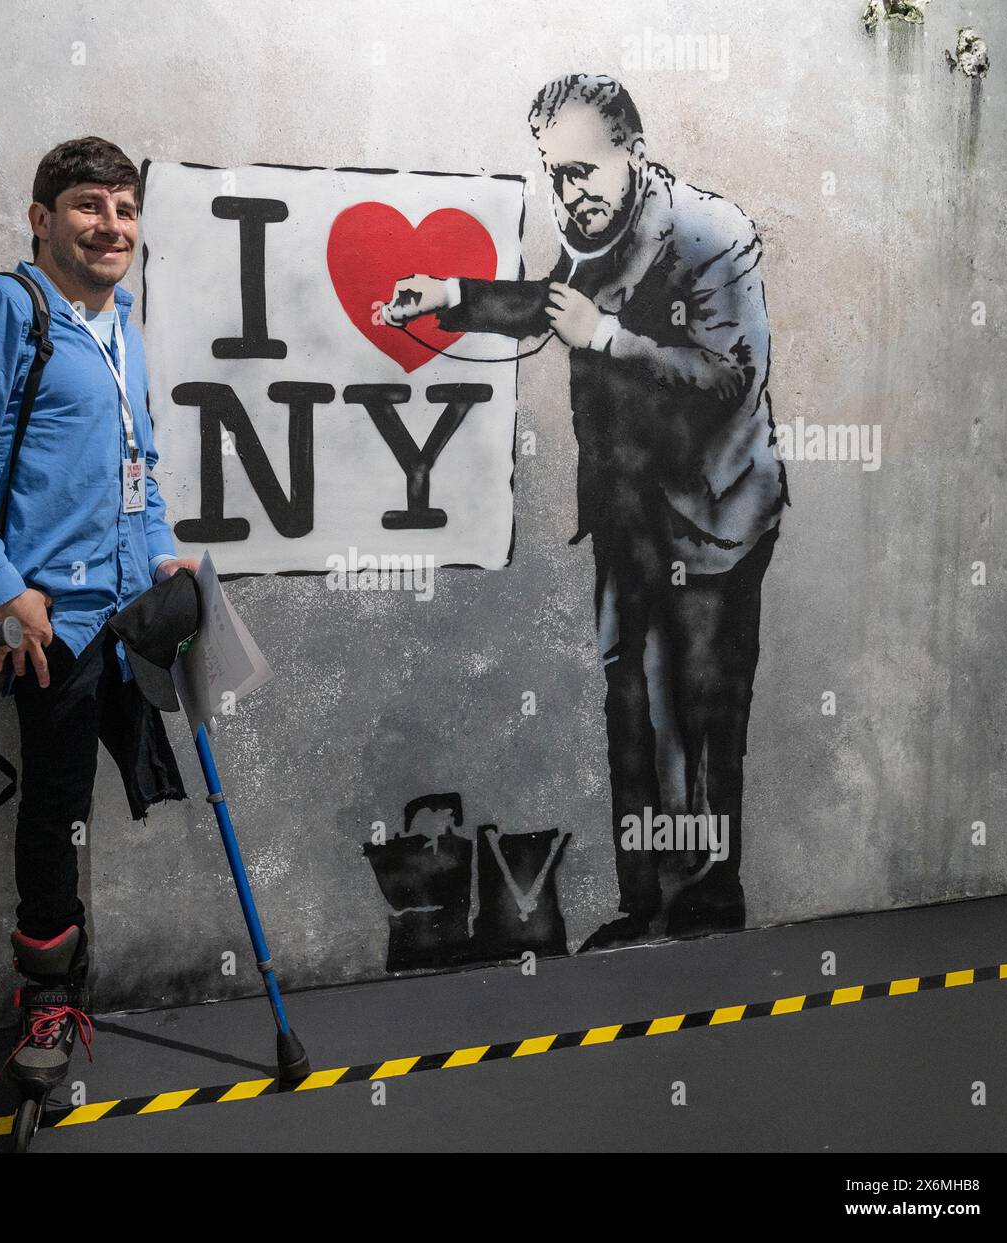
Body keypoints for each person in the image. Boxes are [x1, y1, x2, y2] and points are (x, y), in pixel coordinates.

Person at [385, 75, 789, 948]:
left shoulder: (712, 235)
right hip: (630, 516)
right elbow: (551, 305)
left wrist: (607, 341)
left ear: (633, 151)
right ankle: (648, 905)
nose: (566, 193)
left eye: (579, 171)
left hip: (713, 519)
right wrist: (452, 296)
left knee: (699, 710)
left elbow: (730, 378)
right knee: (631, 705)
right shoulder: (599, 225)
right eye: (552, 173)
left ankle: (706, 902)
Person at [0, 136, 198, 1087]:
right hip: (44, 623)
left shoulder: (122, 330)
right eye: (88, 207)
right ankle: (48, 999)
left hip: (121, 612)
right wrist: (2, 592)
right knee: (57, 806)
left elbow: (135, 480)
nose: (112, 227)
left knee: (97, 797)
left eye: (125, 210)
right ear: (41, 218)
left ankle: (74, 985)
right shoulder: (5, 311)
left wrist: (161, 555)